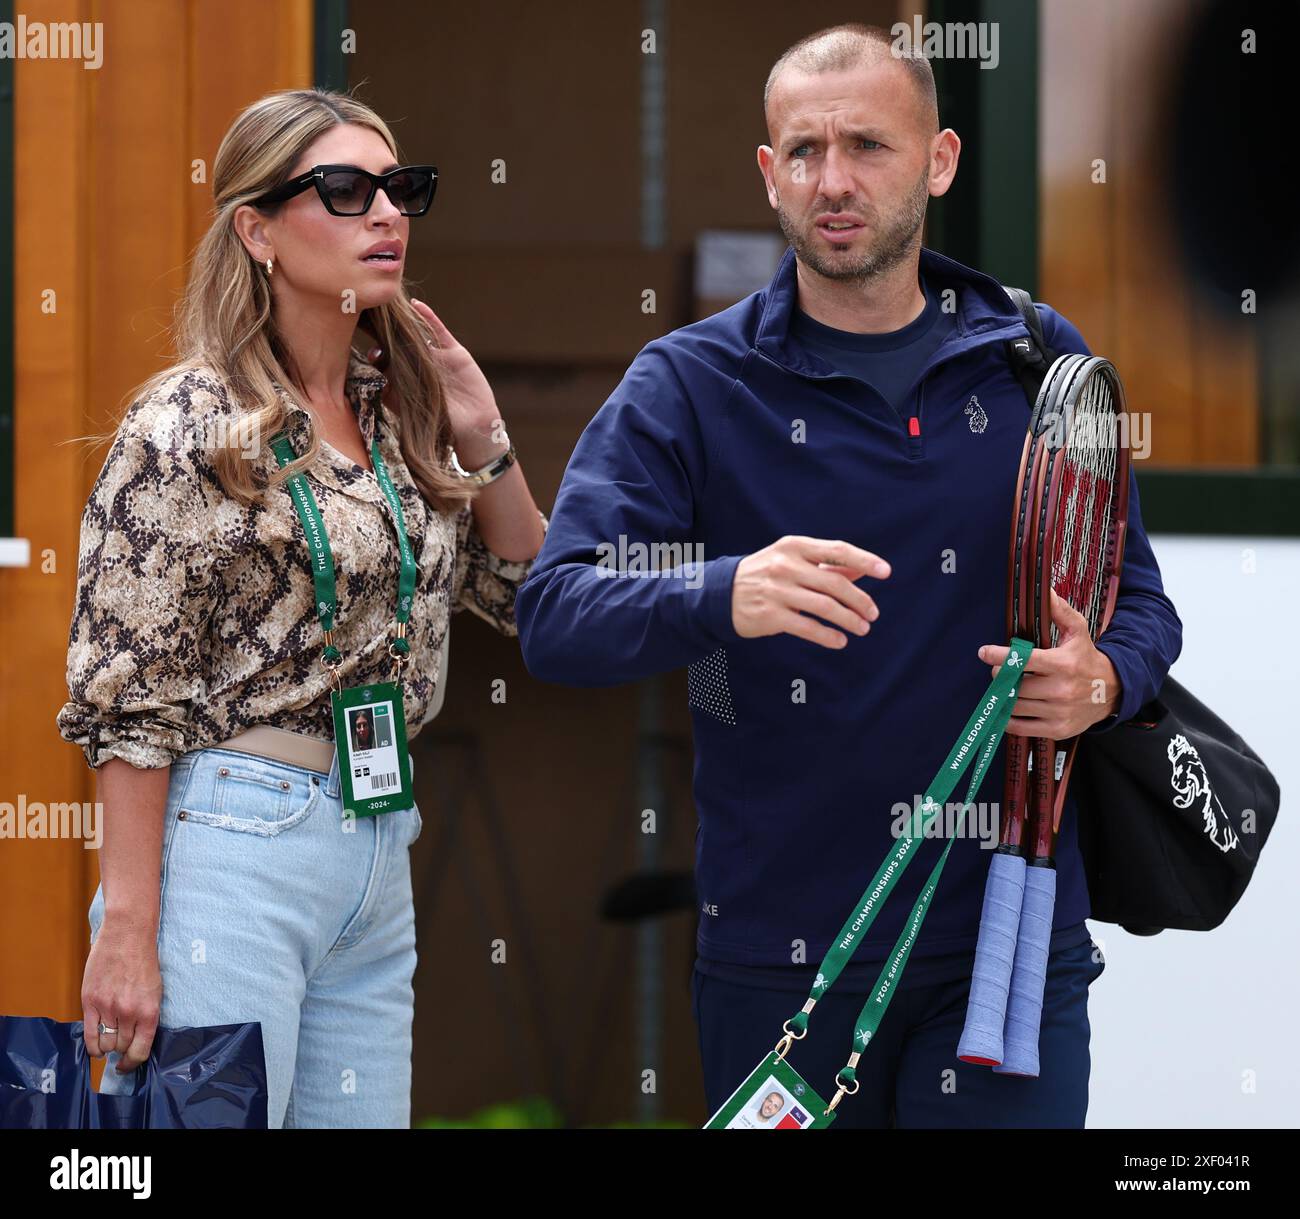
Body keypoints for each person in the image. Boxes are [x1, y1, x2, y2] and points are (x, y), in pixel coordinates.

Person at [515, 24, 1181, 1128]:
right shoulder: (688, 381)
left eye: (867, 146)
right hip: (783, 950)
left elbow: (1139, 601)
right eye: (805, 150)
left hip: (1004, 936)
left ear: (940, 161)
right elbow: (556, 613)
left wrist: (1102, 679)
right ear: (769, 174)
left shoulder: (1033, 356)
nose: (834, 179)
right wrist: (718, 592)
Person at [56, 87, 547, 1128]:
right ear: (257, 229)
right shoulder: (189, 419)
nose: (386, 213)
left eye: (399, 189)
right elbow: (129, 698)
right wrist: (129, 928)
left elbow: (521, 588)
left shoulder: (395, 409)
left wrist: (482, 430)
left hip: (375, 847)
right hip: (233, 835)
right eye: (344, 188)